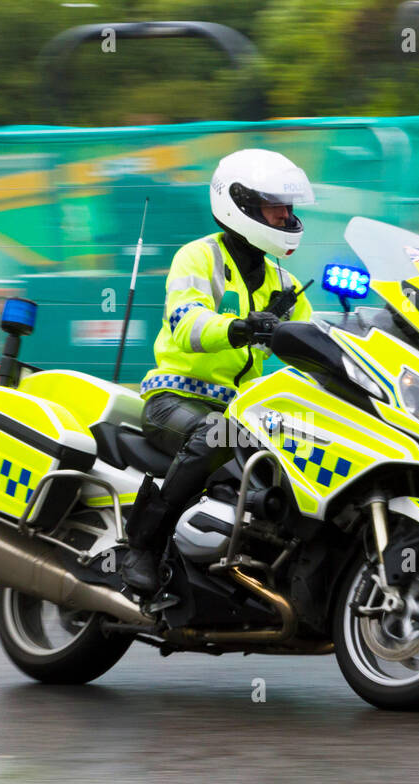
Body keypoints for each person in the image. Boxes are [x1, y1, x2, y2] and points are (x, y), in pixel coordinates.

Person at [120, 148, 315, 596]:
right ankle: (143, 546)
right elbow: (185, 322)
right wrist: (240, 328)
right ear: (241, 206)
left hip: (246, 412)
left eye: (289, 208)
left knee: (310, 443)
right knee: (213, 435)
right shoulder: (198, 258)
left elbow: (315, 340)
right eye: (275, 207)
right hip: (176, 399)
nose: (286, 217)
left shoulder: (282, 283)